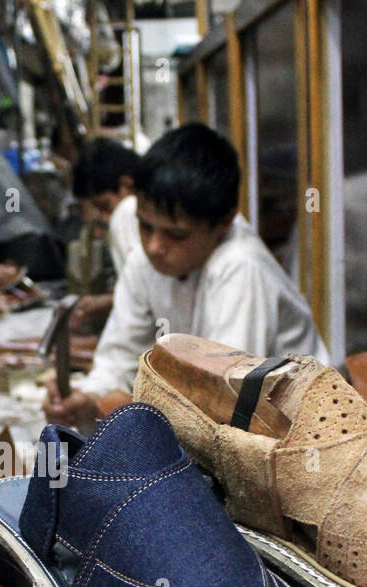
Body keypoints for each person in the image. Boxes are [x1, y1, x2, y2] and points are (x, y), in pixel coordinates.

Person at [46, 124, 329, 431]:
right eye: (145, 226)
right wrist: (88, 399)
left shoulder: (240, 265)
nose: (155, 247)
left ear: (223, 223)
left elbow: (222, 400)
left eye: (176, 235)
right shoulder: (145, 262)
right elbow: (119, 359)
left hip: (300, 432)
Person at [69, 137, 141, 331]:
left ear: (127, 184)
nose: (105, 219)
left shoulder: (127, 211)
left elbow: (142, 304)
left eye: (105, 206)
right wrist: (111, 301)